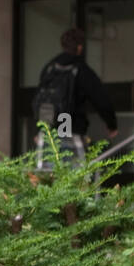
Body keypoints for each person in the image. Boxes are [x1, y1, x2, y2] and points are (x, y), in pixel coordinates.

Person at [32, 27, 118, 168]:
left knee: (46, 183)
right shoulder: (81, 70)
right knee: (76, 184)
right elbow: (101, 99)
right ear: (79, 47)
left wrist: (40, 128)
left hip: (48, 134)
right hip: (71, 133)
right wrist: (111, 124)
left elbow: (40, 99)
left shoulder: (49, 68)